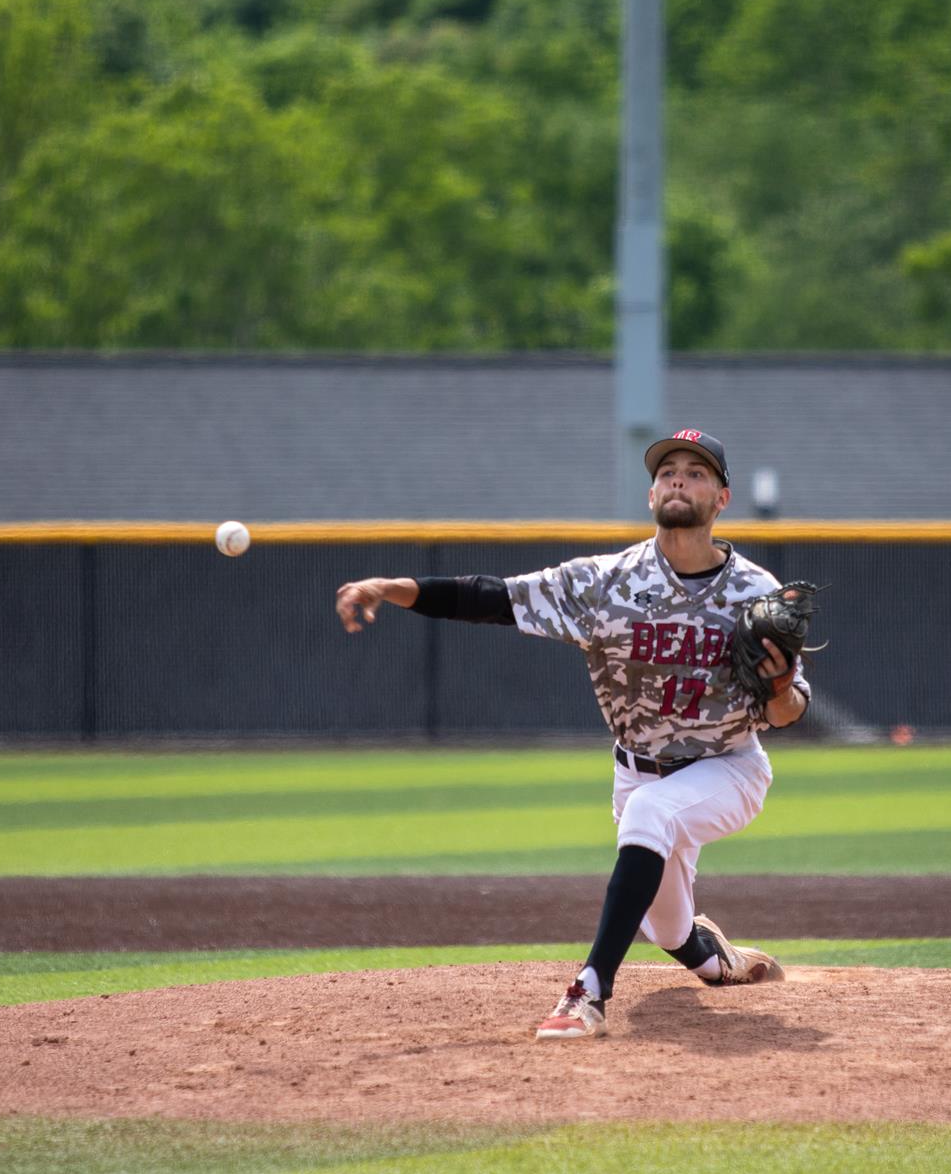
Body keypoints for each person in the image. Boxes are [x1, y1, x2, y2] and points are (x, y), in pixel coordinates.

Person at [334, 429, 811, 1040]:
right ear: (651, 494)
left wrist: (779, 687)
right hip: (636, 770)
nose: (678, 479)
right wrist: (391, 589)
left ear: (722, 498)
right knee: (667, 928)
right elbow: (492, 598)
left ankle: (588, 992)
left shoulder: (757, 593)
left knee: (649, 816)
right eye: (667, 470)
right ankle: (715, 959)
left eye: (697, 472)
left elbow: (789, 712)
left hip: (728, 768)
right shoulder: (605, 582)